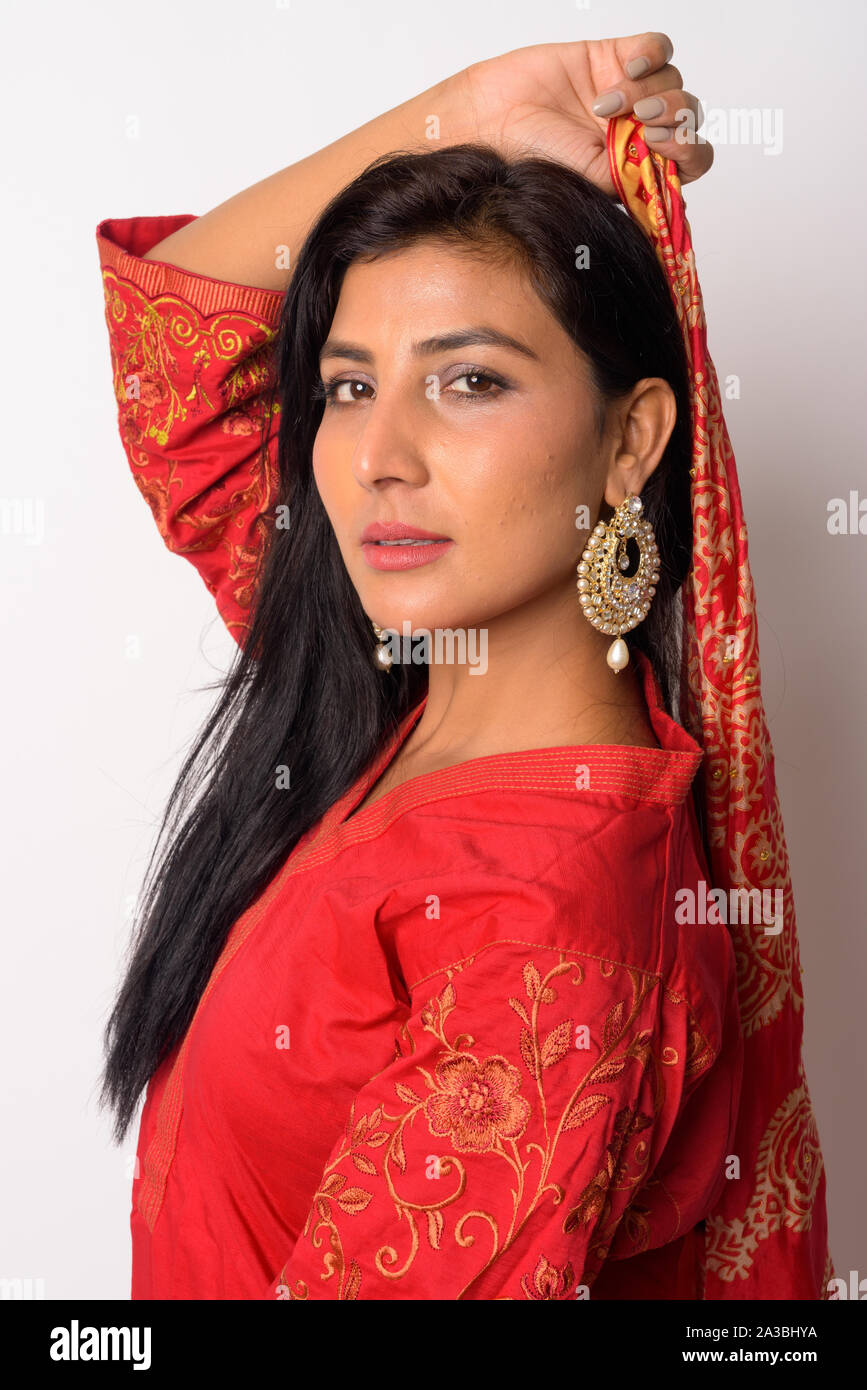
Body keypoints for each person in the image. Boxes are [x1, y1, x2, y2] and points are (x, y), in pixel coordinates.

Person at [96, 33, 832, 1299]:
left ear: (630, 440)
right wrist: (464, 116)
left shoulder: (546, 922)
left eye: (469, 381)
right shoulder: (393, 690)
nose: (379, 455)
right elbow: (183, 361)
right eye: (344, 386)